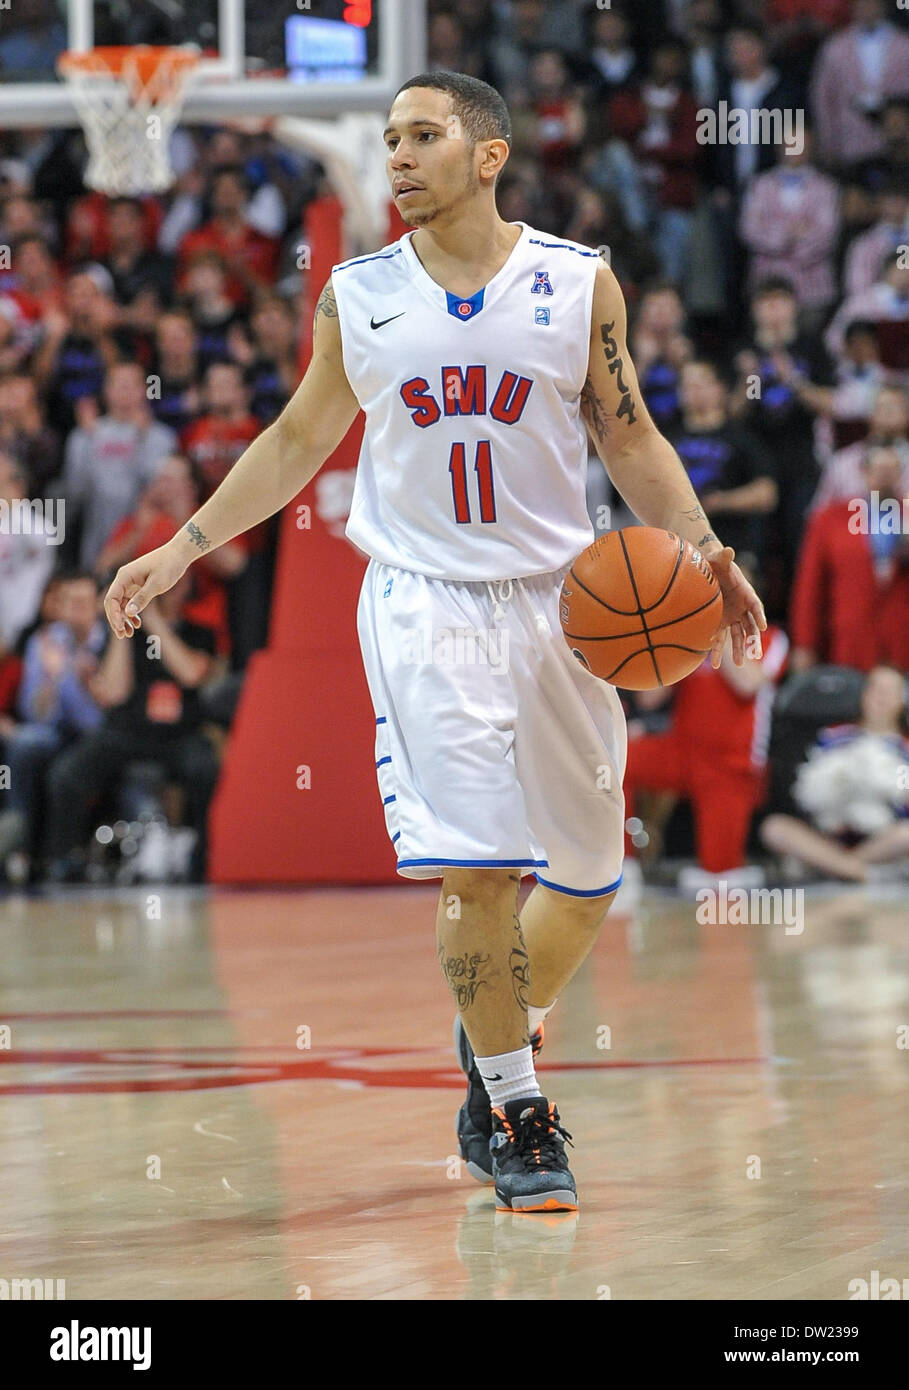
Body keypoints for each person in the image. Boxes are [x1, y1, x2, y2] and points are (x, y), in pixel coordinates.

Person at [101, 71, 765, 1214]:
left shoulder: (574, 282)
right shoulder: (357, 296)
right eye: (392, 139)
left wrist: (705, 551)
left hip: (565, 603)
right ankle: (517, 1110)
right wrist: (185, 544)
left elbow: (632, 433)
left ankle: (487, 1044)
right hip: (424, 606)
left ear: (489, 154)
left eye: (423, 136)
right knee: (480, 868)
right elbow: (299, 436)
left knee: (594, 870)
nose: (398, 157)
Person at [761, 665, 909, 882]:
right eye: (875, 689)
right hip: (829, 835)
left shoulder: (905, 748)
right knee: (774, 828)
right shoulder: (833, 735)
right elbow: (806, 790)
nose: (880, 697)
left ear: (902, 701)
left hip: (883, 838)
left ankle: (833, 867)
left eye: (889, 691)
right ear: (863, 695)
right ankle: (858, 871)